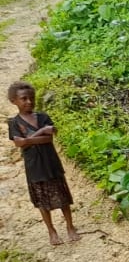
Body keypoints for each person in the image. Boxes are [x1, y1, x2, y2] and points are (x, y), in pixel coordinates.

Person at [7, 81, 80, 246]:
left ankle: (70, 226)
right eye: (23, 99)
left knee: (63, 197)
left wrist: (29, 139)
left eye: (31, 98)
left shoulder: (43, 117)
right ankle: (52, 231)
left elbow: (48, 138)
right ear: (14, 101)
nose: (29, 102)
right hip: (34, 166)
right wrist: (40, 132)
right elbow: (19, 143)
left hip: (51, 163)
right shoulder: (14, 123)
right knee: (41, 200)